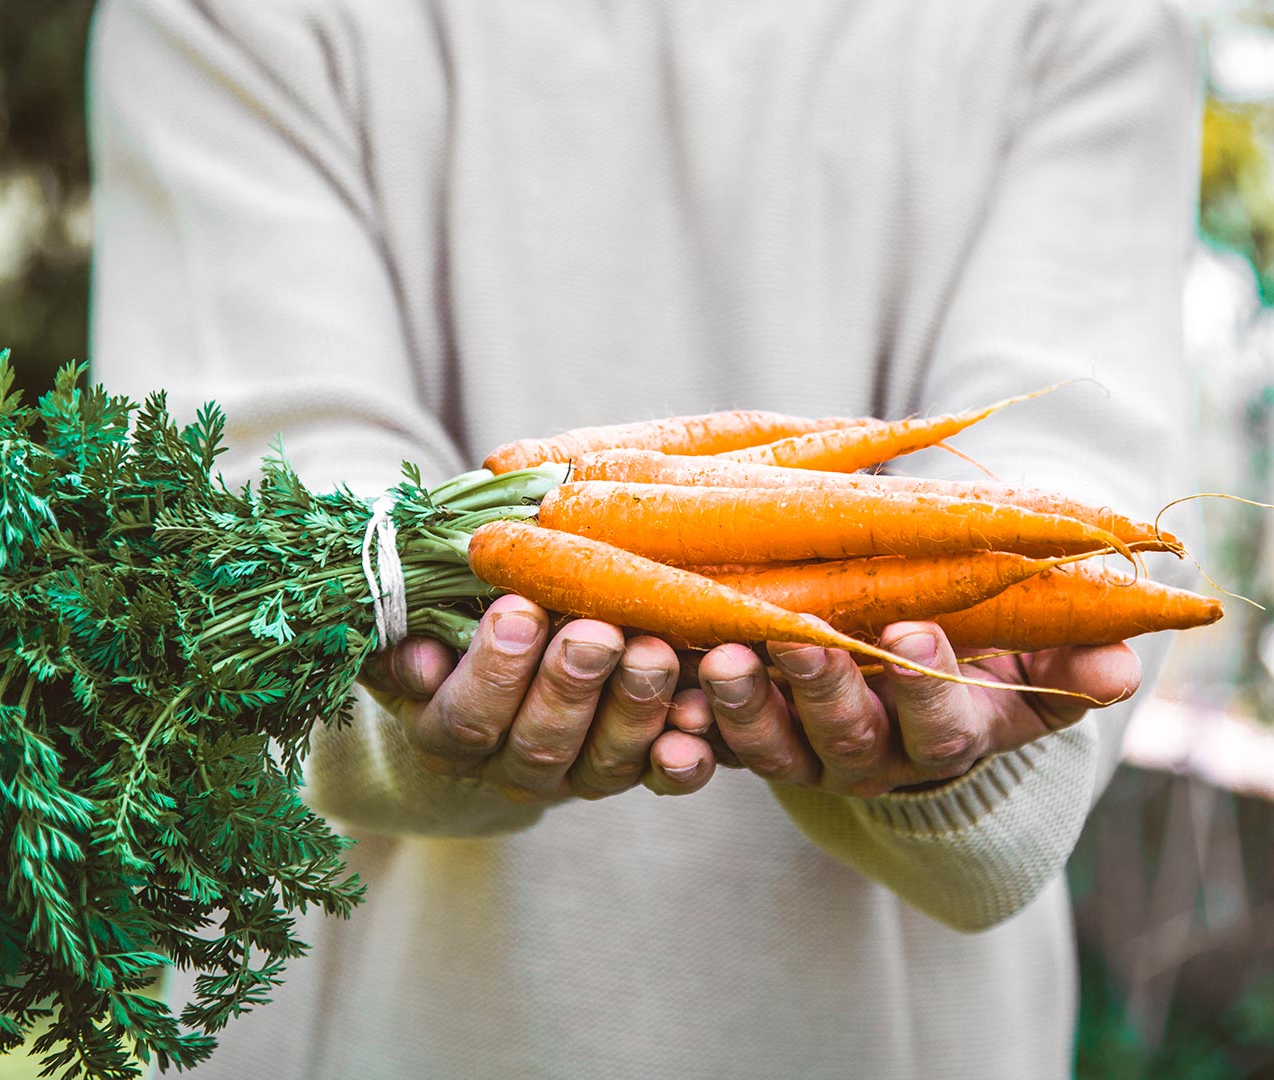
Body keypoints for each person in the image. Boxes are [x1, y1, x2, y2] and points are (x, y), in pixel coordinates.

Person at [87, 0, 1202, 1076]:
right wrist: (387, 654)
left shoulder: (1083, 15)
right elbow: (247, 489)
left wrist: (974, 686)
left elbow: (1071, 441)